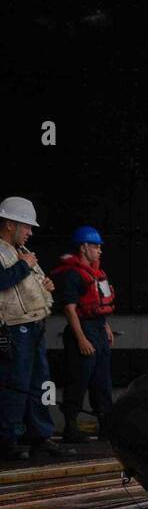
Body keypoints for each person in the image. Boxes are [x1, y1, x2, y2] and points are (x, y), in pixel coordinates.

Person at [0, 196, 63, 460]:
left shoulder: (21, 253)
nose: (30, 232)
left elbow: (30, 282)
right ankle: (7, 441)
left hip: (34, 326)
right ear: (10, 224)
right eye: (26, 226)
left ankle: (40, 437)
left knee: (38, 383)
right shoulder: (8, 254)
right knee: (15, 385)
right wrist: (23, 266)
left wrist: (46, 285)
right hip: (14, 329)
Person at [50, 226, 115, 442]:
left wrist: (105, 326)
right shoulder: (72, 275)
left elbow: (98, 304)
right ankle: (70, 427)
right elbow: (70, 309)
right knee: (78, 380)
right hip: (83, 329)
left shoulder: (98, 274)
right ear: (83, 247)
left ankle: (106, 425)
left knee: (102, 381)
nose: (100, 250)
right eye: (95, 246)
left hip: (97, 327)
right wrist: (81, 339)